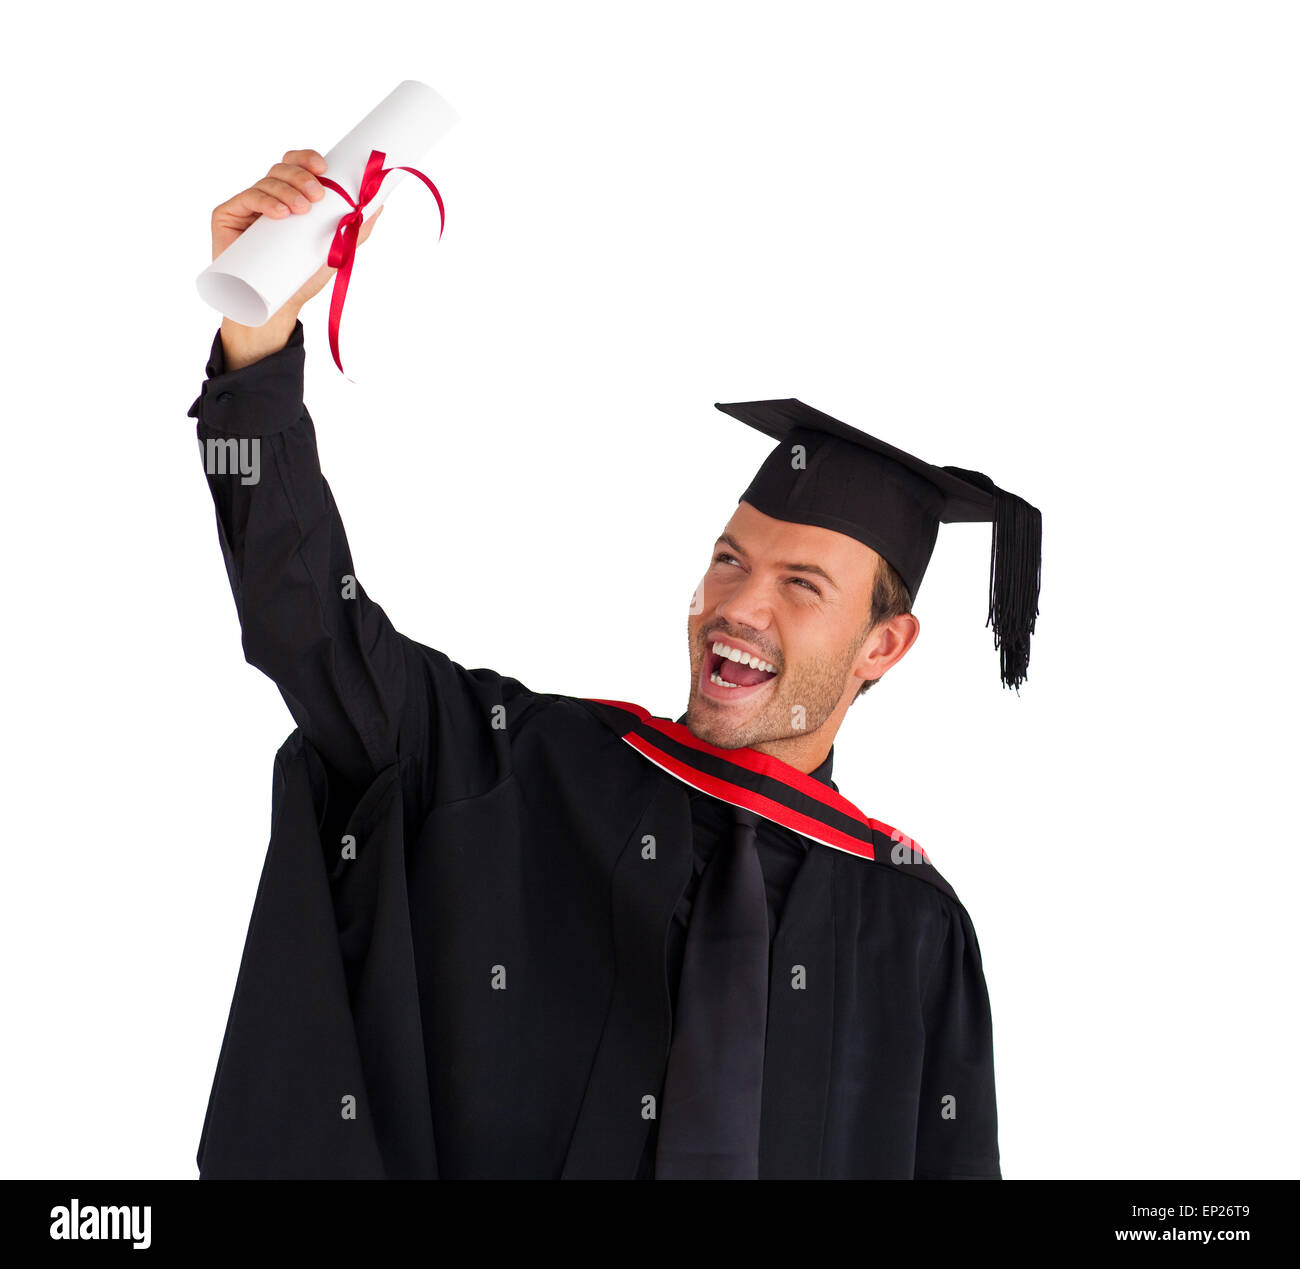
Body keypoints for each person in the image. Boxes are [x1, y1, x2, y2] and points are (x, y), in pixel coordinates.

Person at [189, 149, 1040, 1180]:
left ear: (884, 647)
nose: (738, 606)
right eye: (728, 560)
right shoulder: (506, 768)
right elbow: (302, 625)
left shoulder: (915, 932)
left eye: (800, 586)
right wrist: (256, 350)